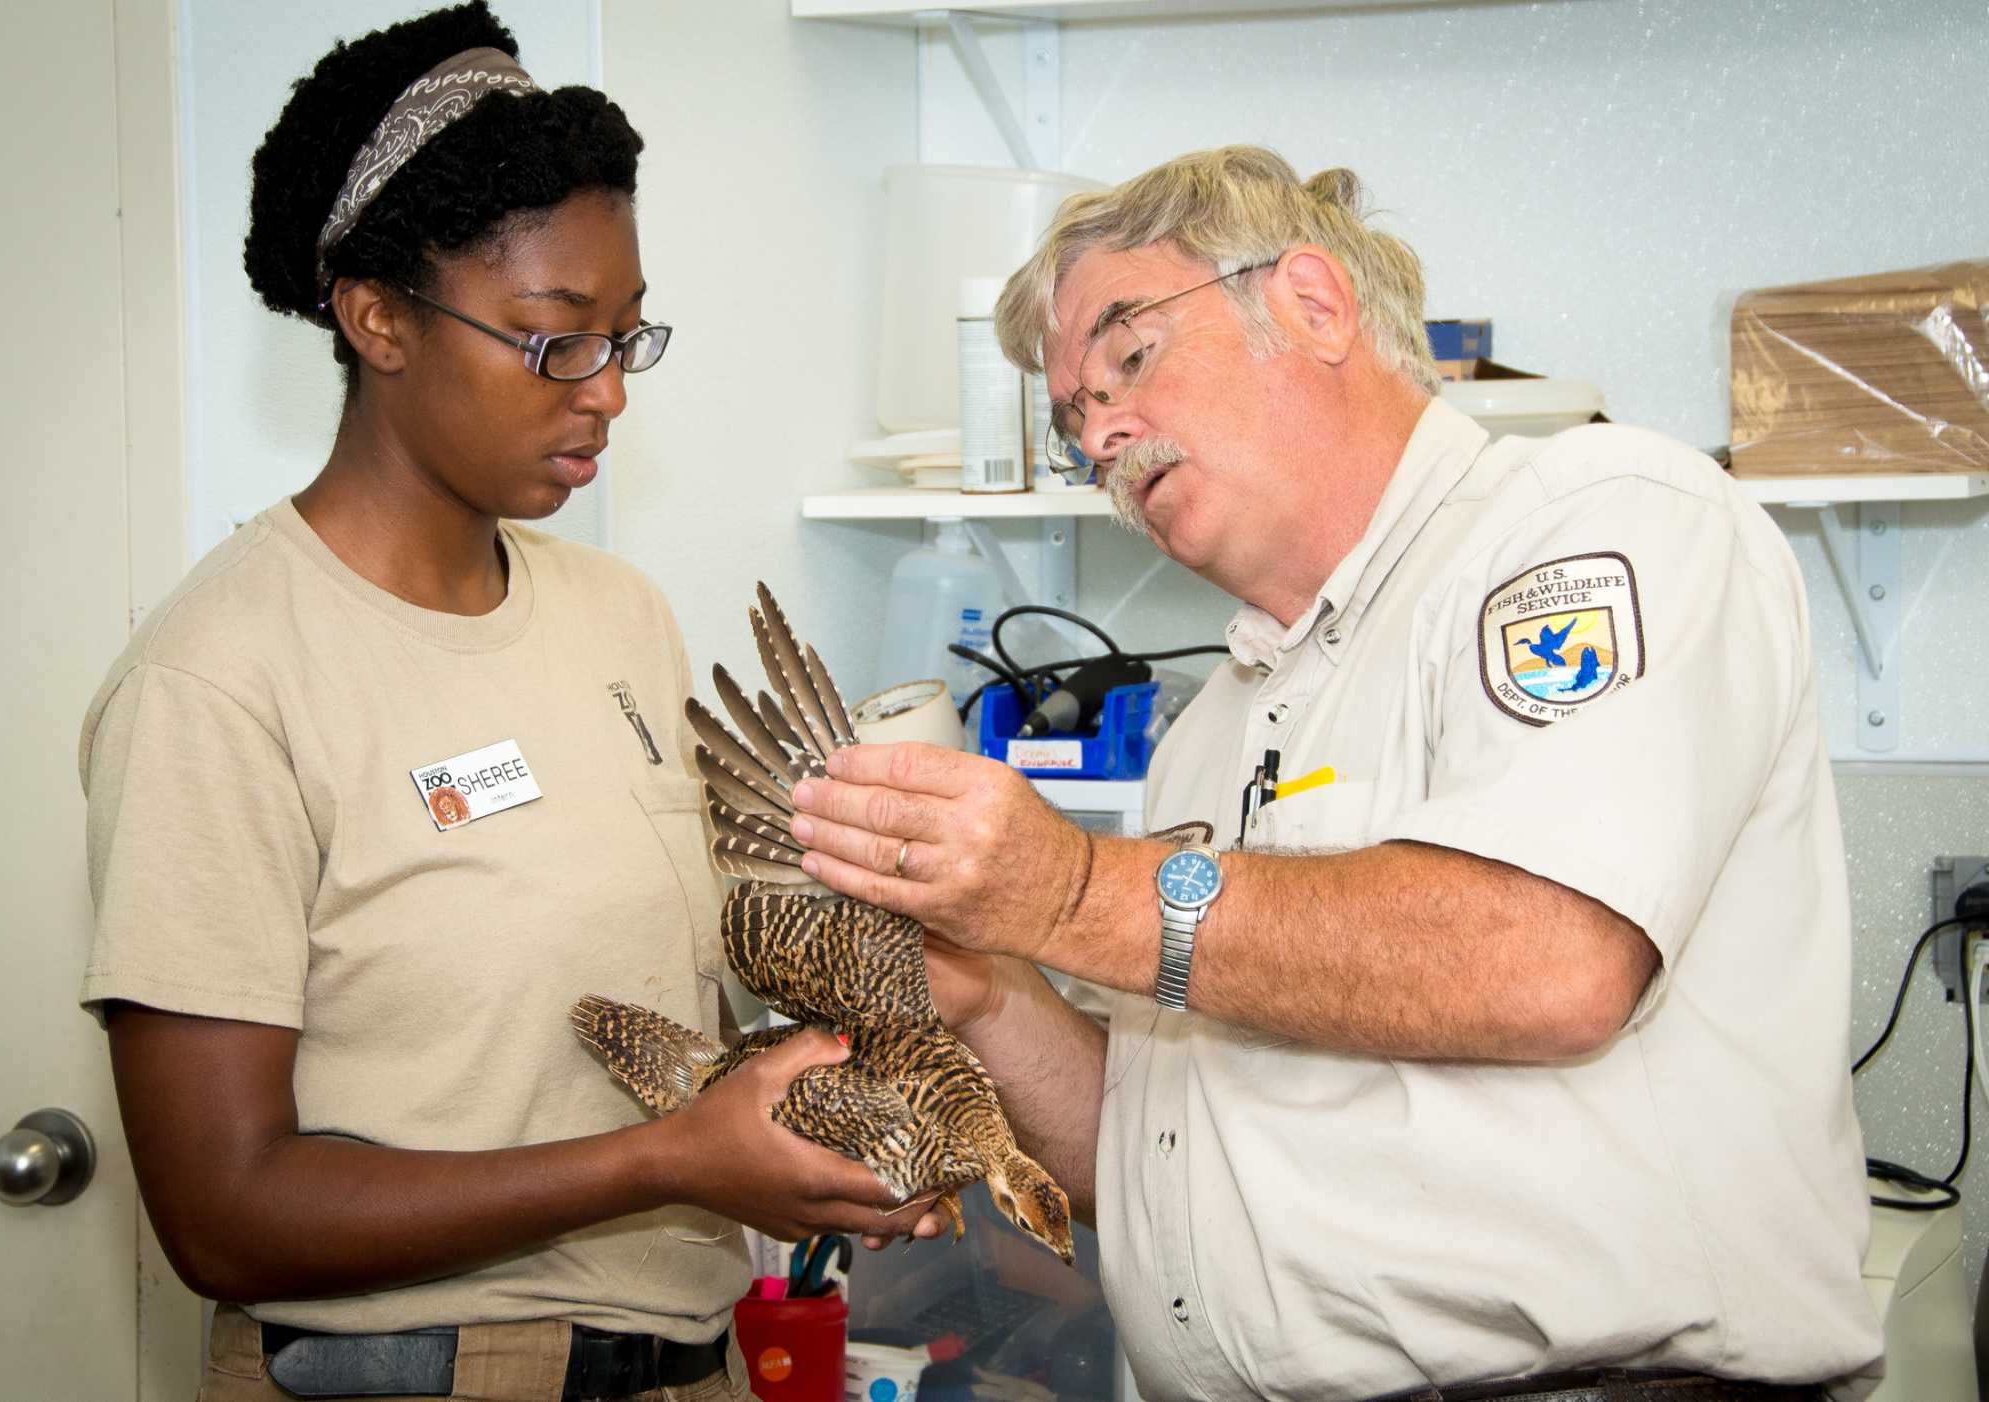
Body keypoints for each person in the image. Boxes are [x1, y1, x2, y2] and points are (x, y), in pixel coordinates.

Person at [783, 147, 1884, 1402]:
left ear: (1310, 302)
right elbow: (1155, 1158)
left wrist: (1071, 889)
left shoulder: (1598, 517)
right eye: (1072, 418)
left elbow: (1550, 958)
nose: (1100, 431)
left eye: (1128, 358)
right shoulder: (1210, 731)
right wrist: (979, 987)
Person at [78, 7, 927, 1400]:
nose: (605, 395)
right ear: (377, 317)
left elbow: (660, 1012)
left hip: (687, 1361)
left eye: (626, 338)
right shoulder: (218, 680)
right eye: (552, 343)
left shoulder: (616, 620)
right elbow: (219, 1211)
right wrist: (666, 1159)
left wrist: (831, 1084)